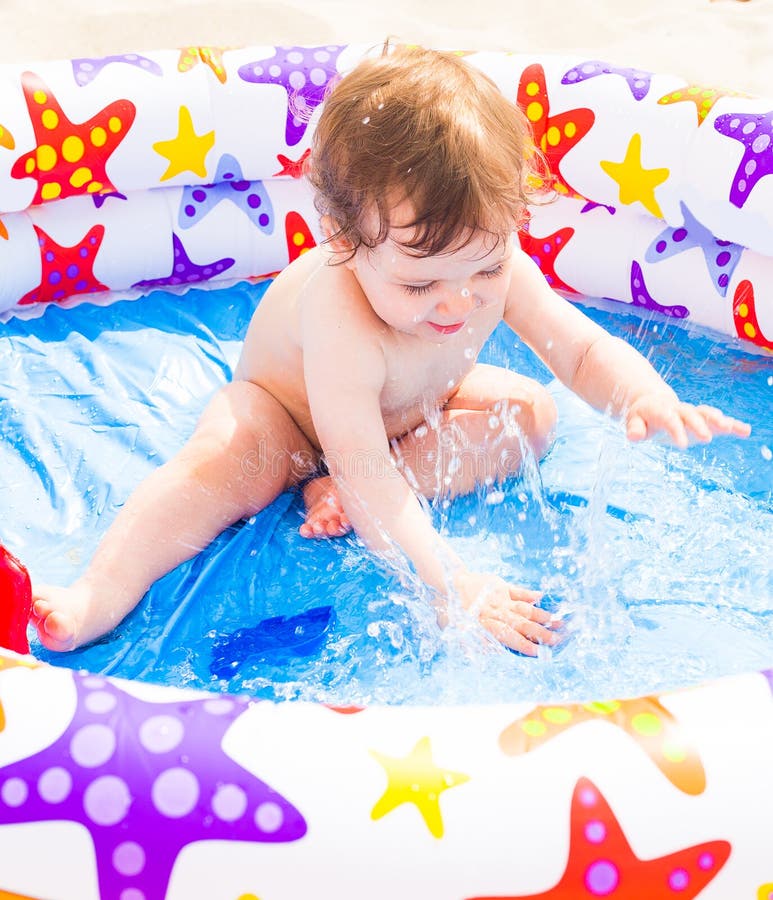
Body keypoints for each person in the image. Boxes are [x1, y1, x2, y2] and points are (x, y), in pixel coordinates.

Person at [31, 46, 751, 657]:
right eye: (420, 282)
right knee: (227, 459)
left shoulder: (484, 271)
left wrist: (643, 395)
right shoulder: (339, 311)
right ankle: (101, 590)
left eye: (486, 268)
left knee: (528, 413)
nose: (459, 302)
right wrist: (451, 584)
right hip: (291, 419)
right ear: (344, 243)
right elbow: (364, 462)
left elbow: (582, 353)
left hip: (407, 420)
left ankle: (337, 497)